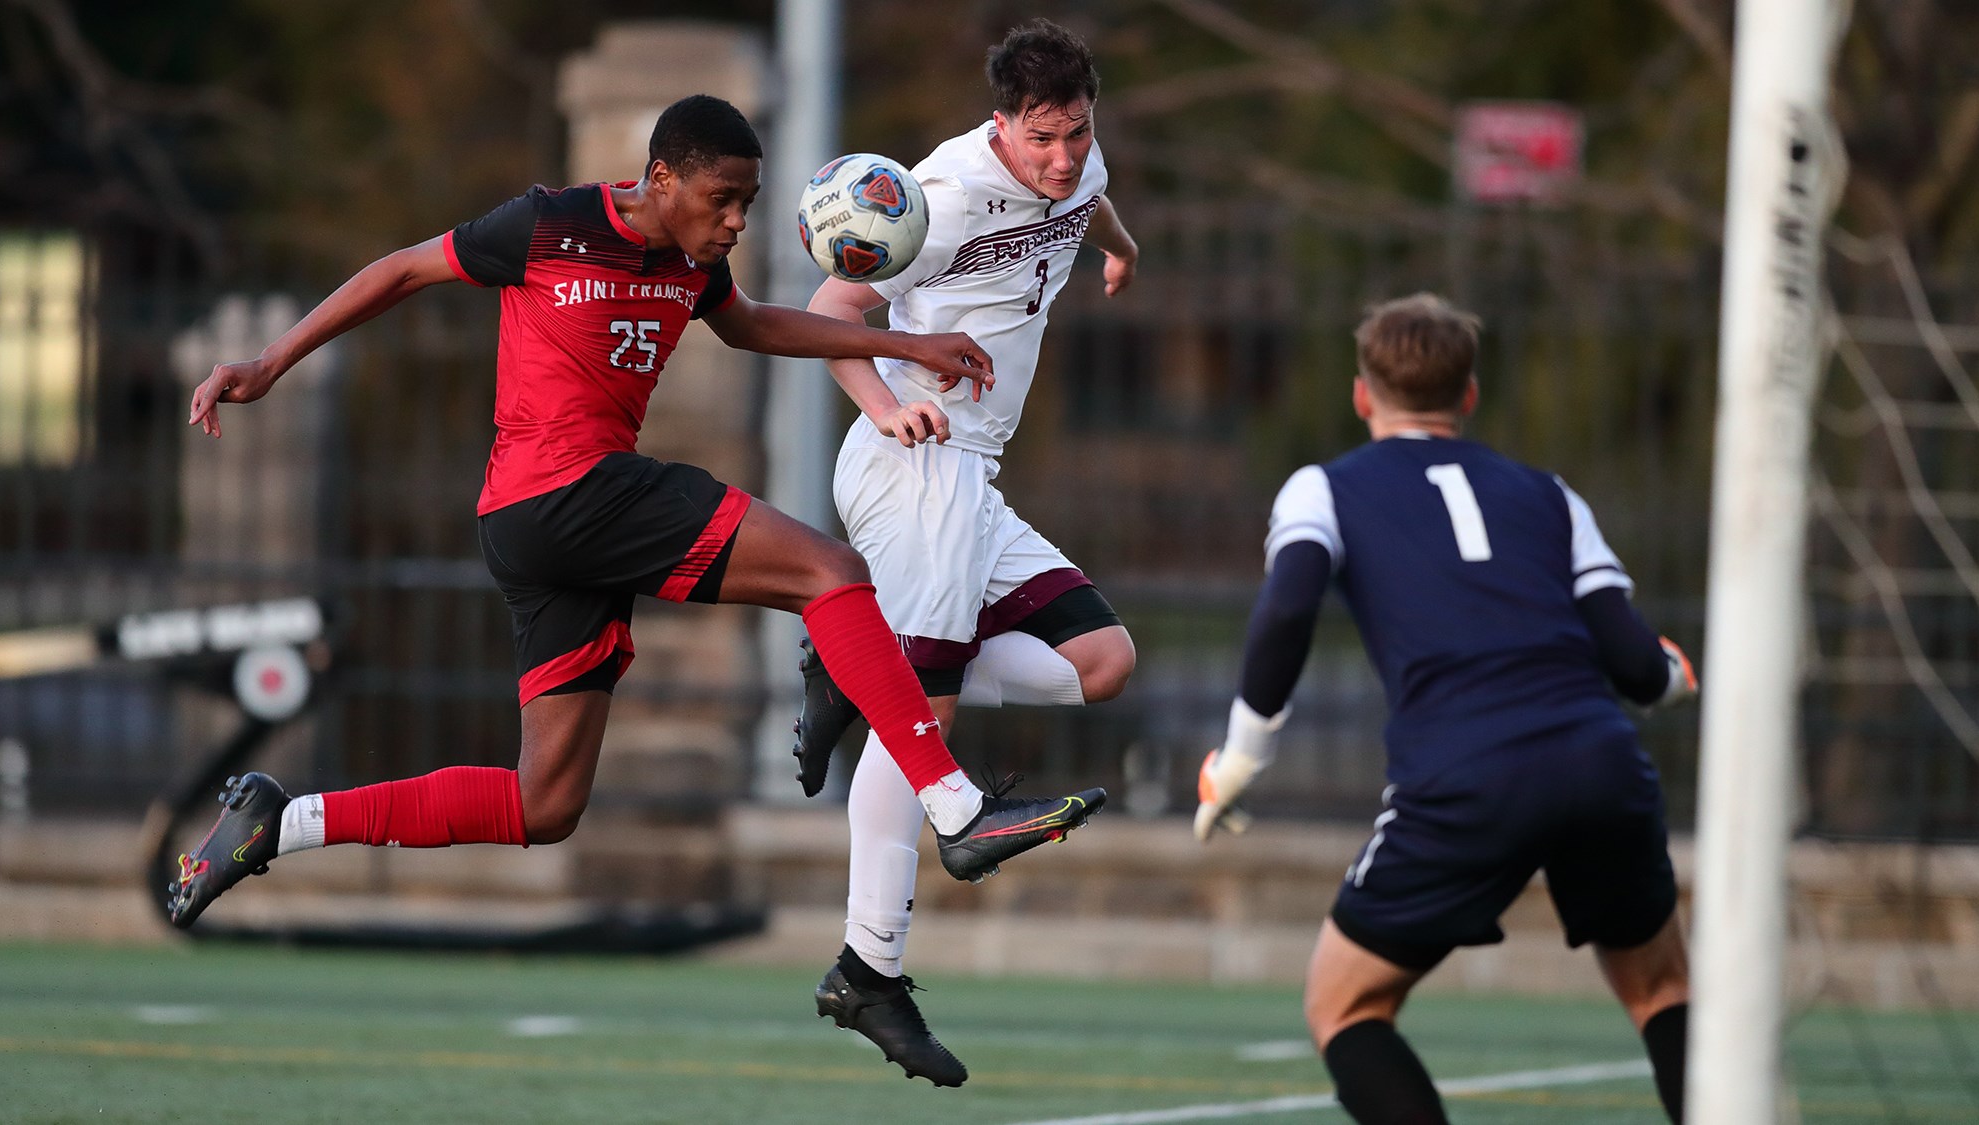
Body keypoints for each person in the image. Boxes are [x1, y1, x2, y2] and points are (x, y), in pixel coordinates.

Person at [166, 95, 1106, 938]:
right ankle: (954, 806)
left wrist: (903, 340)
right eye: (723, 198)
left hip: (541, 533)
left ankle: (278, 820)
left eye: (749, 200)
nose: (737, 220)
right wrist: (268, 363)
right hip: (566, 490)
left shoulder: (692, 266)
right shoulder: (546, 223)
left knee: (546, 803)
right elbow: (401, 272)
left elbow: (757, 325)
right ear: (662, 178)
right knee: (832, 573)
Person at [1193, 294, 1697, 1125]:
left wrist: (1241, 758)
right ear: (1467, 396)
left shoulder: (1324, 488)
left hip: (1469, 775)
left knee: (1345, 1007)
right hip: (1599, 759)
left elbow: (1287, 610)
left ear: (1362, 396)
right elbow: (1638, 666)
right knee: (1663, 989)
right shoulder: (1551, 495)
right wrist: (1673, 676)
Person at [790, 19, 1140, 1088]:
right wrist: (885, 402)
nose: (1061, 158)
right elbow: (827, 307)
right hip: (918, 462)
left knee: (1102, 665)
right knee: (922, 724)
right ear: (1002, 125)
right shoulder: (935, 195)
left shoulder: (1081, 166)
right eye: (1041, 139)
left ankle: (857, 666)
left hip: (976, 482)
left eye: (1075, 133)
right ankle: (868, 964)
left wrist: (1119, 243)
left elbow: (1092, 201)